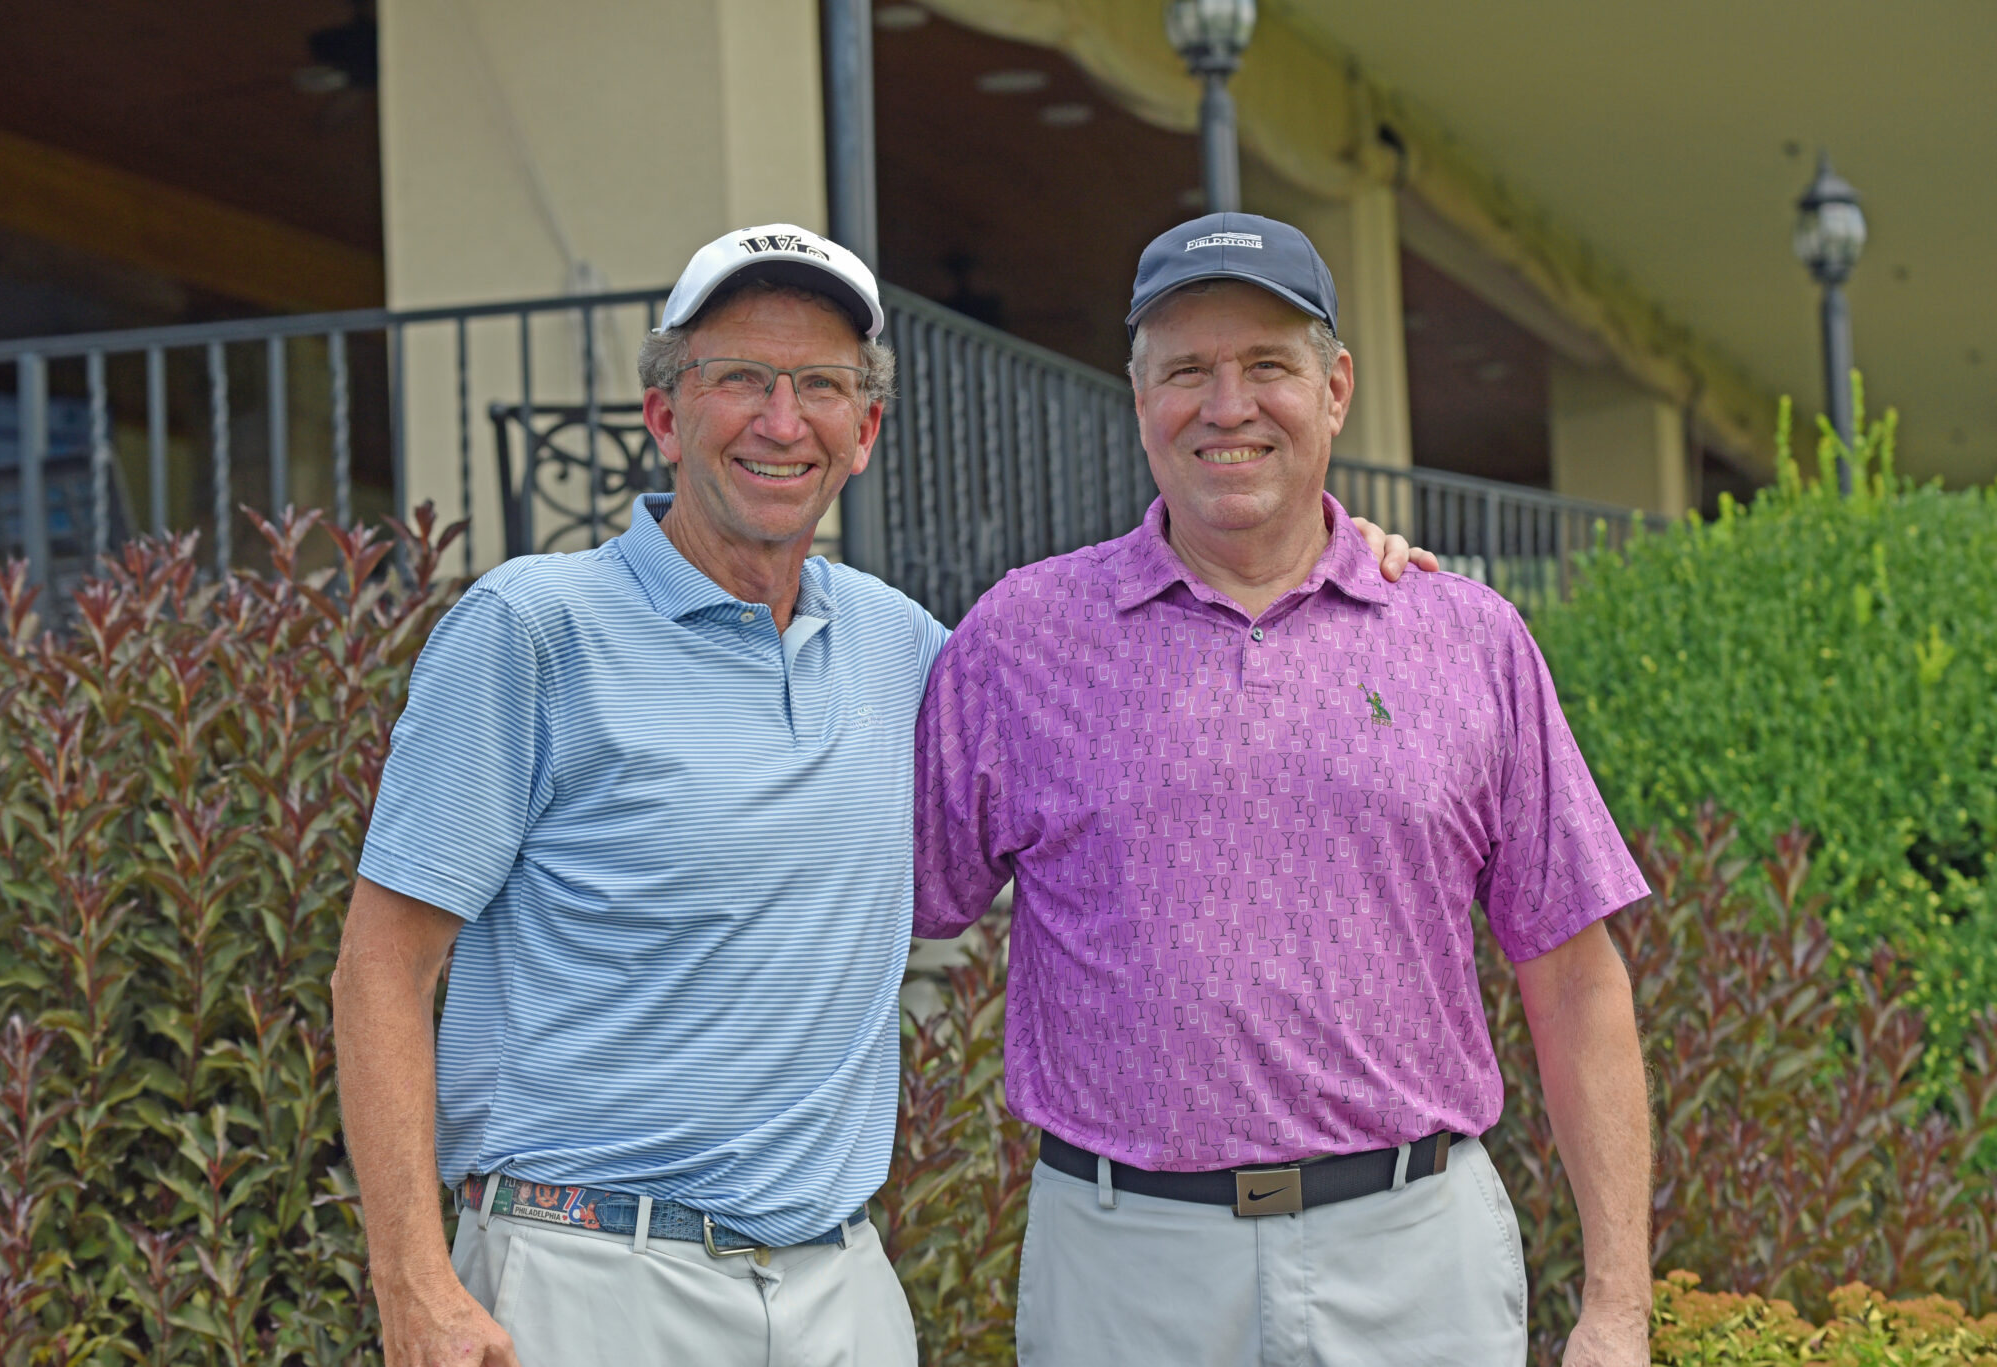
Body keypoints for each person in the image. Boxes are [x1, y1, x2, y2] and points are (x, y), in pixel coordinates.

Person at [331, 218, 1443, 1366]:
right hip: (584, 1275)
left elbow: (1143, 713)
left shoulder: (905, 648)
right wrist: (412, 1276)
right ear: (663, 415)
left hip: (834, 1291)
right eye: (738, 380)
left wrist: (1324, 553)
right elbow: (382, 963)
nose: (779, 420)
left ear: (862, 432)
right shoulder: (531, 629)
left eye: (820, 385)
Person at [911, 213, 1653, 1367]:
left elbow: (1573, 976)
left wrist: (1616, 1306)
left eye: (1266, 365)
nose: (1227, 405)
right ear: (1136, 391)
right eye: (1186, 370)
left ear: (1336, 386)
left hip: (1413, 1262)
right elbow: (877, 912)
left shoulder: (1466, 639)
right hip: (1122, 1271)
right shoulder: (1018, 639)